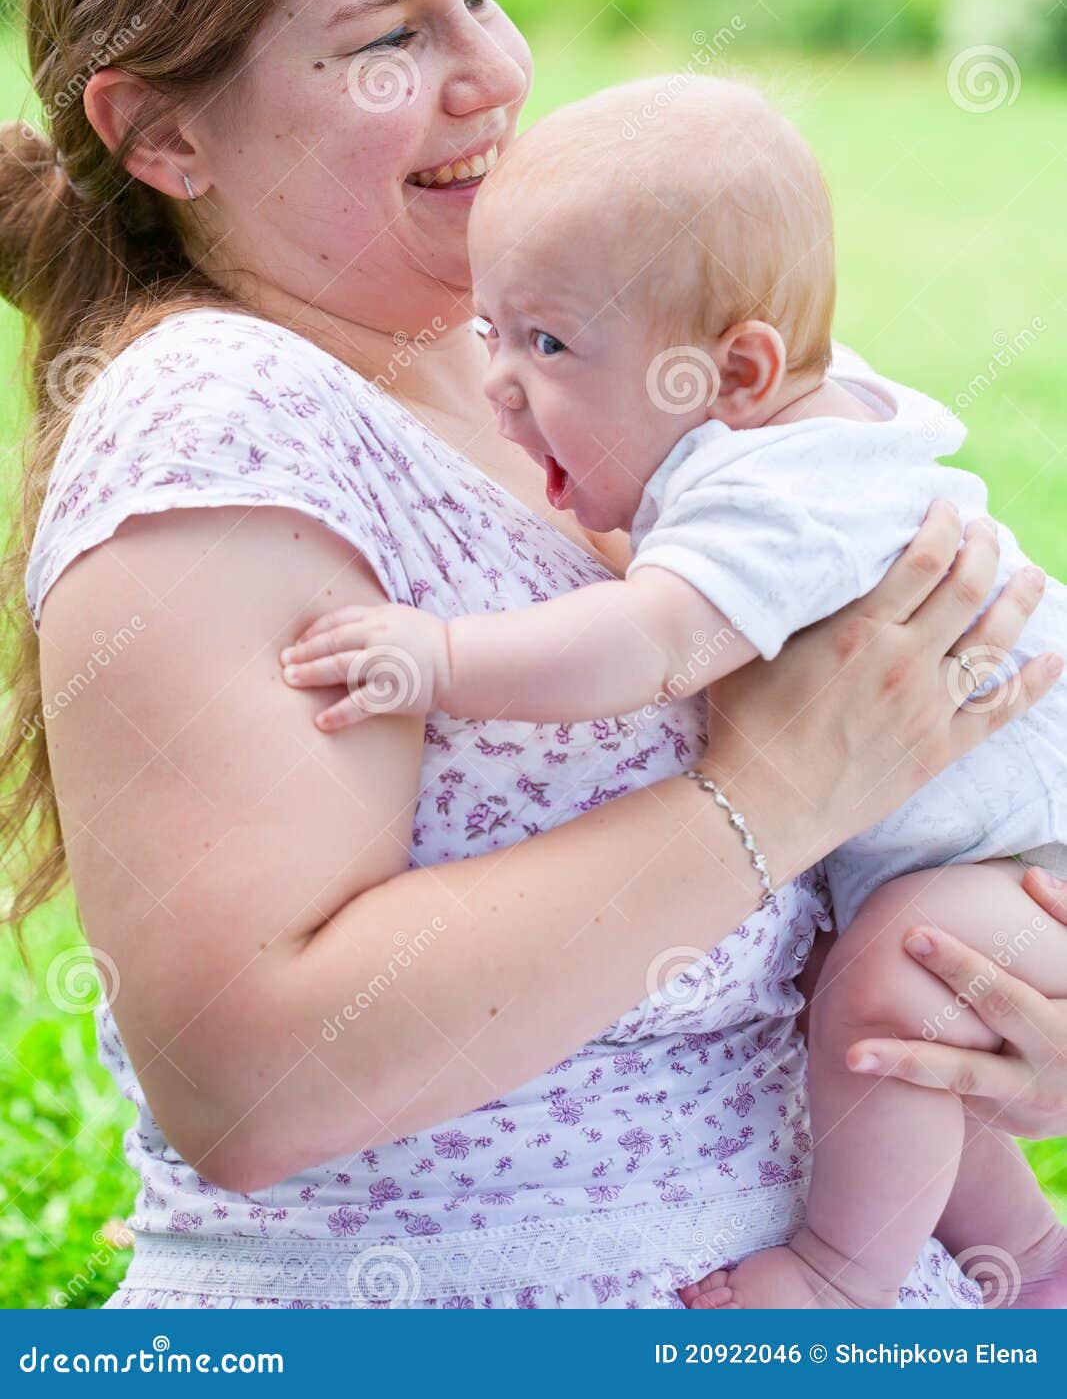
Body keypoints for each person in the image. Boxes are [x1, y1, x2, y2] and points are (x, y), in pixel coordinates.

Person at [0, 0, 1063, 1311]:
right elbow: (255, 1080)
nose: (491, 72)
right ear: (163, 138)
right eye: (388, 37)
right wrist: (766, 789)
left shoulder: (528, 347)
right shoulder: (220, 417)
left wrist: (989, 1014)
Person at [284, 77, 1067, 1308]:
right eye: (489, 330)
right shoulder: (784, 416)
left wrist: (439, 657)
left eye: (545, 343)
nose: (497, 383)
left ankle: (840, 1277)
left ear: (733, 371)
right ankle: (1024, 1262)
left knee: (890, 979)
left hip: (1032, 860)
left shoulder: (775, 491)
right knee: (877, 996)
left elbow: (641, 643)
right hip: (1000, 846)